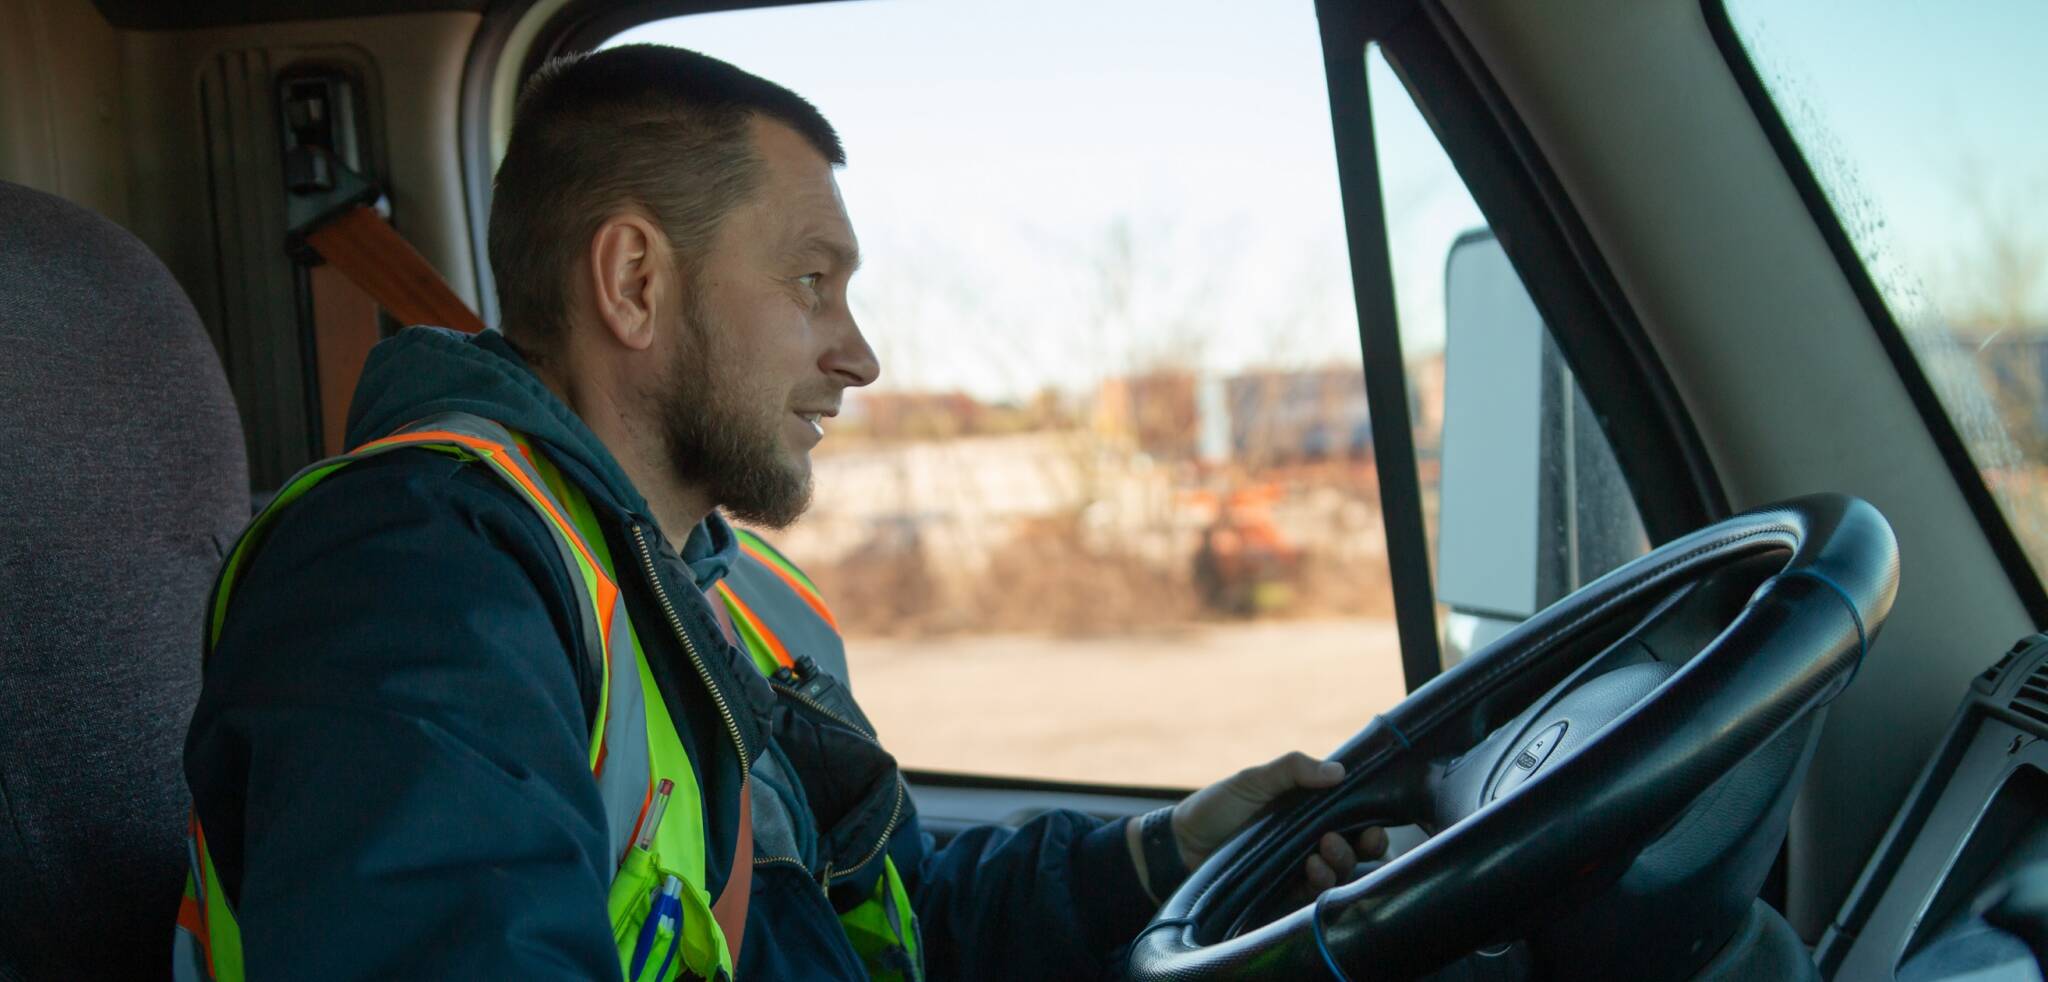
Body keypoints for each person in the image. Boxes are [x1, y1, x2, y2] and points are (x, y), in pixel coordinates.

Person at [174, 45, 1383, 981]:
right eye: (812, 283)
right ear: (636, 282)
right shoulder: (413, 573)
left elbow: (884, 915)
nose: (857, 355)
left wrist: (1165, 853)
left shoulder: (735, 597)